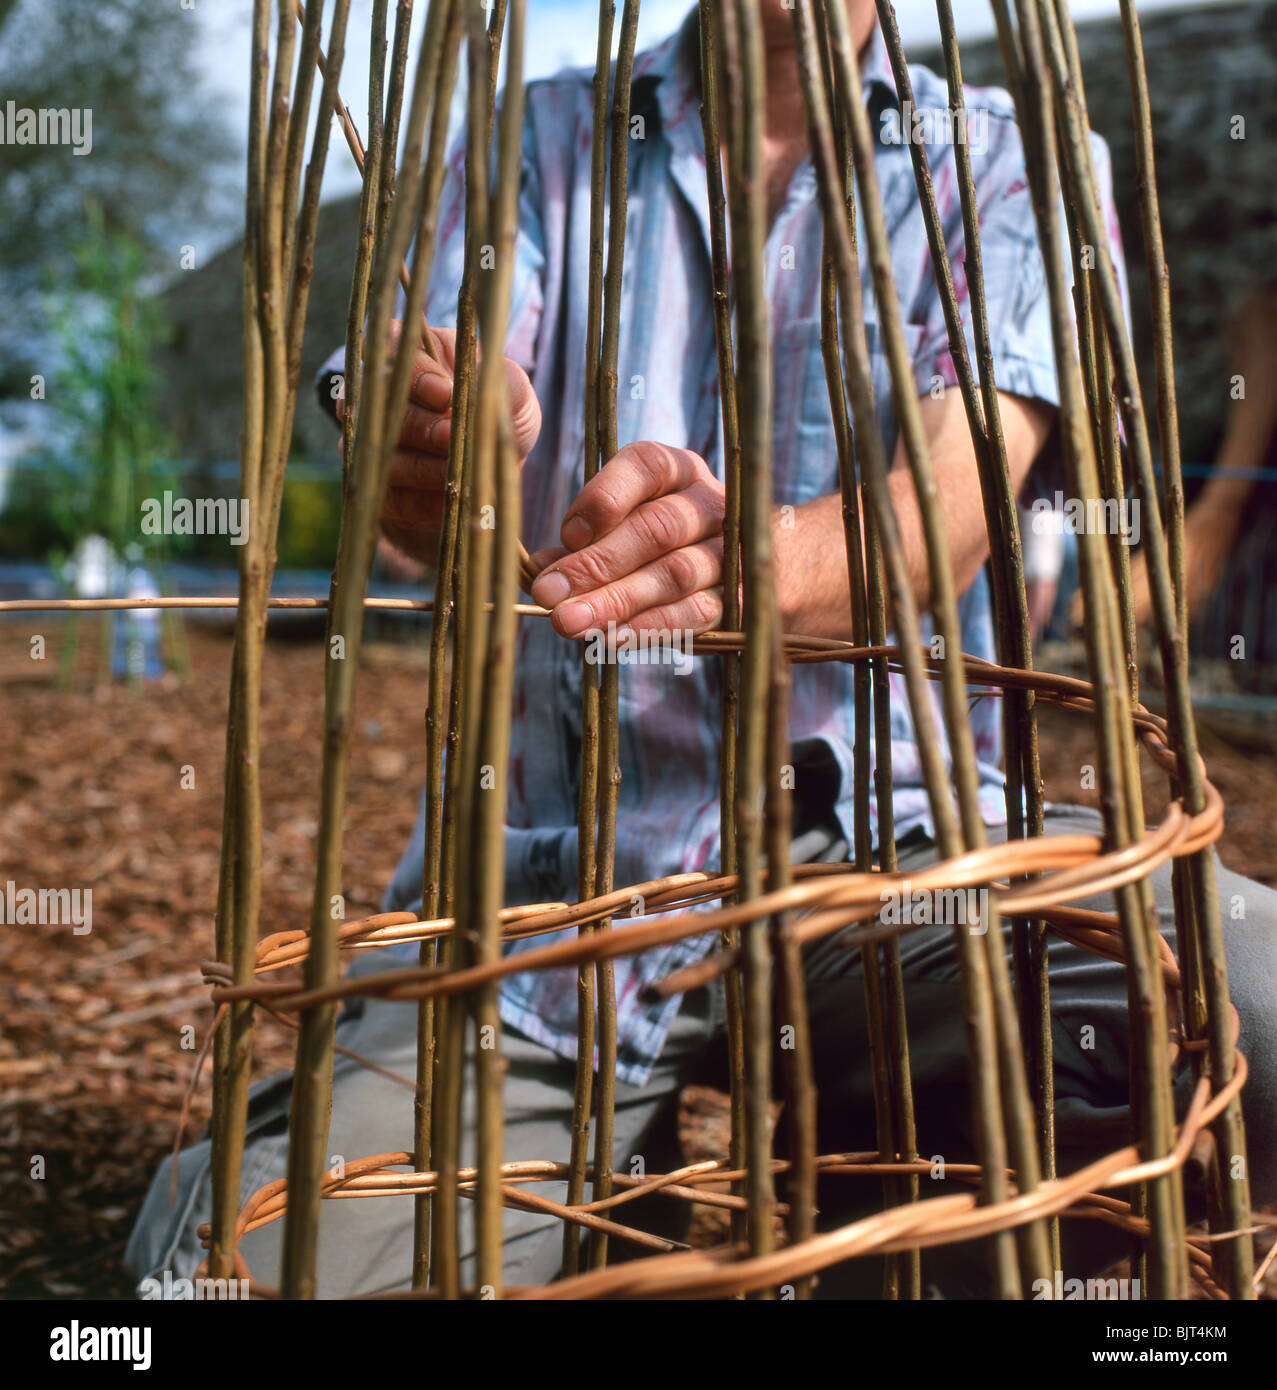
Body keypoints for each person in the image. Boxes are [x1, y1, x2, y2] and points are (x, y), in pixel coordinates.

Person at [127, 2, 1277, 1297]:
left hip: (912, 869)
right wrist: (439, 441)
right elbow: (432, 438)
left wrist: (753, 565)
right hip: (548, 910)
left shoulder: (1009, 157)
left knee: (1255, 1006)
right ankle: (582, 1163)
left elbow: (952, 512)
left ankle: (888, 1160)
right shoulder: (536, 138)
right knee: (251, 1276)